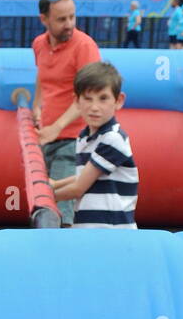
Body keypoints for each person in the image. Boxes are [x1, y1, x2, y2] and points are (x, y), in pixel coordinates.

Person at [31, 0, 101, 225]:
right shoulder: (39, 44)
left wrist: (57, 126)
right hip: (48, 136)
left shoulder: (85, 46)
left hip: (75, 138)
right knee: (44, 200)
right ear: (44, 20)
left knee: (61, 206)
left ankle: (60, 250)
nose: (69, 24)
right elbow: (41, 74)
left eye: (72, 17)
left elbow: (89, 97)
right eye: (61, 19)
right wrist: (36, 105)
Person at [50, 61, 138, 228]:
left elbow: (78, 188)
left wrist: (48, 197)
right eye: (88, 99)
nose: (94, 107)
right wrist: (56, 184)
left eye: (103, 99)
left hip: (111, 232)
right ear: (76, 101)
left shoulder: (113, 138)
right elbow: (85, 175)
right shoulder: (85, 138)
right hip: (90, 229)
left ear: (118, 101)